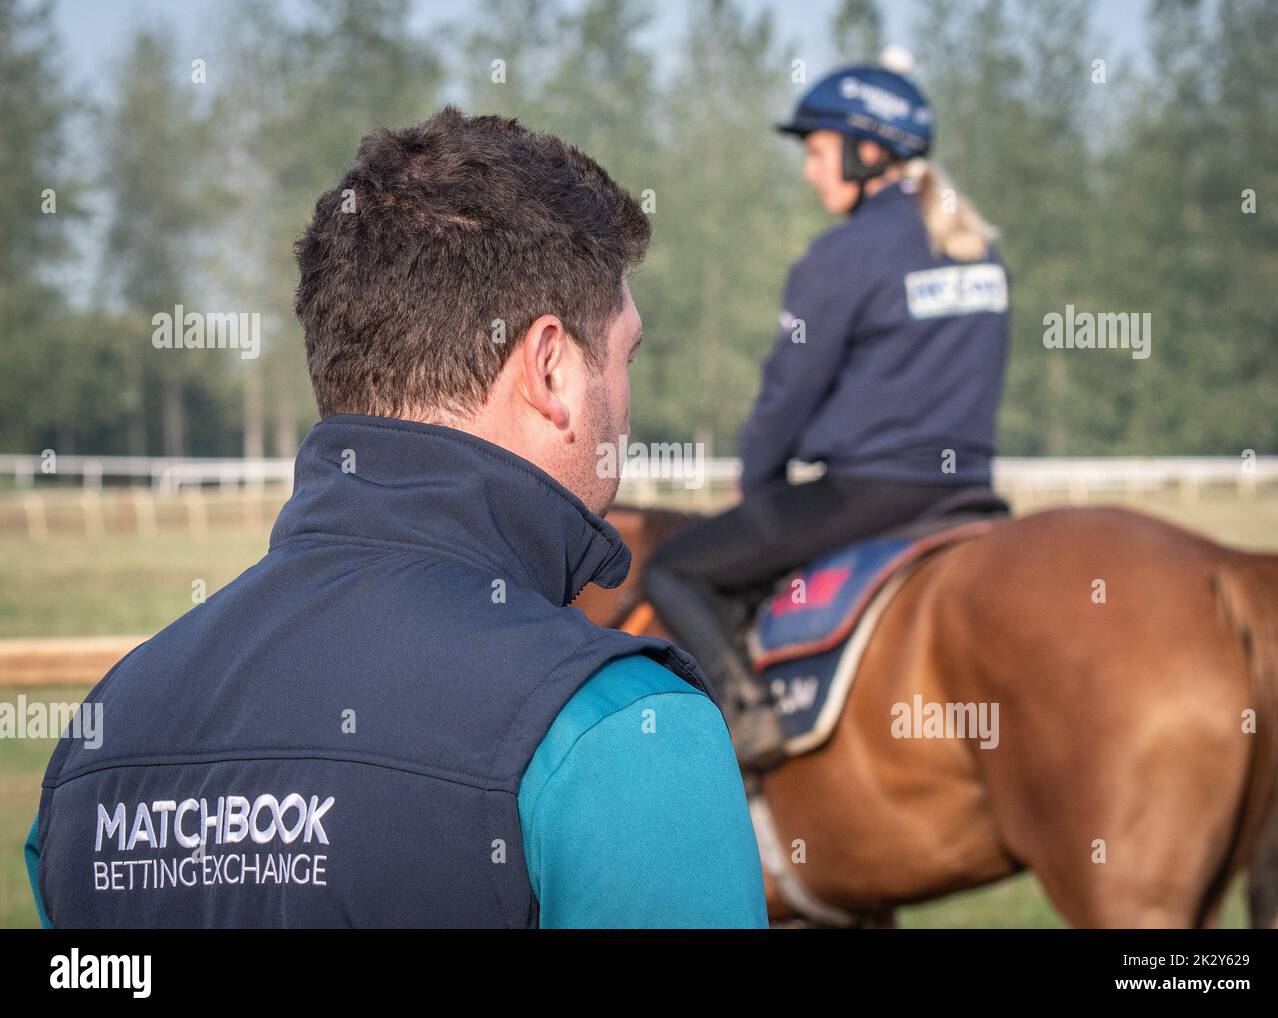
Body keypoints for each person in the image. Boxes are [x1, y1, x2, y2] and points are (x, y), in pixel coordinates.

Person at [26, 107, 767, 929]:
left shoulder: (105, 734)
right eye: (624, 358)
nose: (627, 404)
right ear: (551, 367)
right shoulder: (620, 727)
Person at [644, 55, 1011, 773]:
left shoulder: (842, 255)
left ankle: (747, 729)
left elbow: (787, 394)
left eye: (816, 152)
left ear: (865, 151)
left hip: (866, 496)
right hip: (969, 493)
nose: (811, 172)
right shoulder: (979, 249)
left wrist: (758, 483)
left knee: (675, 570)